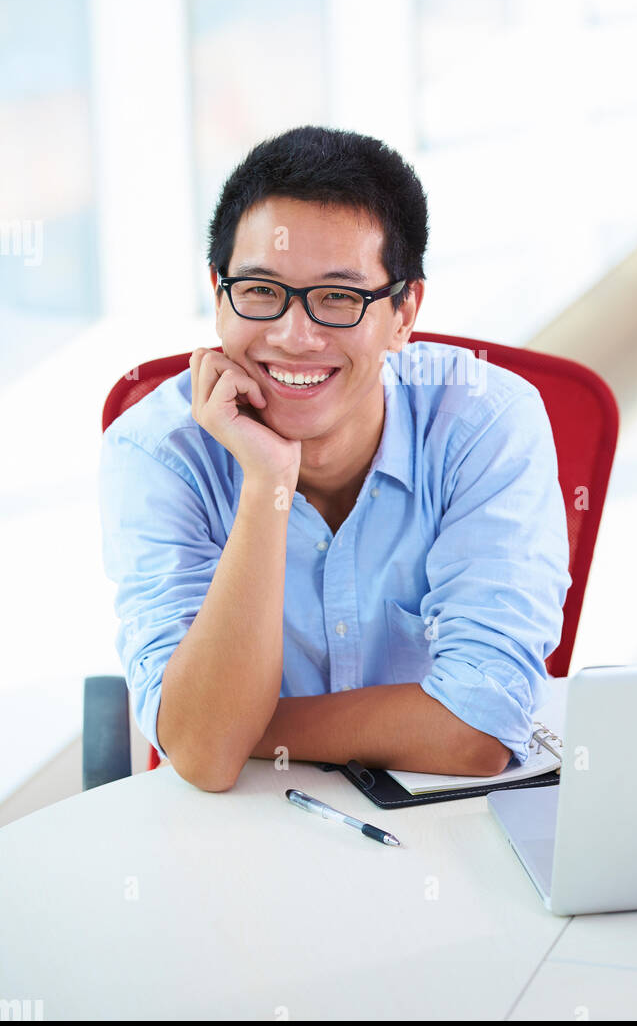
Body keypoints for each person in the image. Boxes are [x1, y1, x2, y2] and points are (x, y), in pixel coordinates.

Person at [99, 125, 571, 791]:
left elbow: (481, 731)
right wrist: (266, 482)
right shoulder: (157, 452)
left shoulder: (483, 419)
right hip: (239, 839)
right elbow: (204, 759)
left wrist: (234, 729)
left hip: (445, 832)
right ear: (217, 292)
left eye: (339, 298)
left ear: (404, 312)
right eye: (260, 290)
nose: (295, 336)